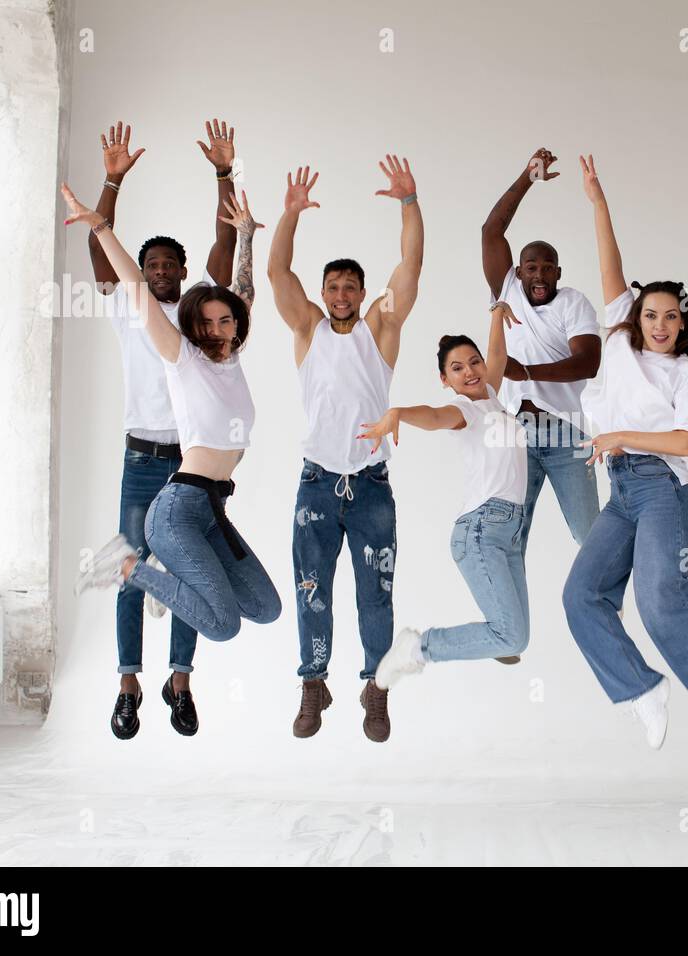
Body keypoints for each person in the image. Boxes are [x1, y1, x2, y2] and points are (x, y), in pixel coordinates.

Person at [561, 155, 688, 749]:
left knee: (658, 601)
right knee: (580, 596)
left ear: (683, 323)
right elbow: (610, 262)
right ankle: (640, 689)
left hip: (663, 492)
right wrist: (598, 202)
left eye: (670, 317)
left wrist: (621, 436)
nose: (658, 324)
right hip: (622, 491)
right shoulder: (620, 336)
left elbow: (687, 442)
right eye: (651, 313)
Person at [69, 184, 282, 737]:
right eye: (206, 322)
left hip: (211, 509)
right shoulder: (181, 356)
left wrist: (249, 236)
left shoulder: (231, 360)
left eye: (225, 321)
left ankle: (176, 623)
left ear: (237, 325)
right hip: (176, 503)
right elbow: (135, 289)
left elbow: (243, 288)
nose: (216, 329)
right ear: (191, 326)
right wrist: (101, 226)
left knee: (266, 609)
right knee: (224, 624)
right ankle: (127, 570)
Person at [87, 119, 238, 739]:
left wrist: (226, 175)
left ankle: (180, 680)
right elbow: (98, 252)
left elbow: (224, 250)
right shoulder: (129, 305)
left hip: (190, 465)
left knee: (188, 574)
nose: (157, 271)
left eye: (168, 264)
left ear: (181, 273)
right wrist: (111, 182)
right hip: (140, 460)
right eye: (148, 264)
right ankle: (128, 684)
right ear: (141, 271)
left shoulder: (196, 314)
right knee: (131, 564)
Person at [268, 157, 423, 743]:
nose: (338, 294)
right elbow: (280, 272)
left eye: (348, 286)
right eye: (331, 286)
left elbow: (410, 268)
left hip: (371, 484)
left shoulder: (379, 329)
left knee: (375, 592)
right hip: (316, 479)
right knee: (312, 586)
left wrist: (410, 204)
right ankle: (314, 684)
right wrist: (289, 216)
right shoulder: (306, 329)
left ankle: (376, 688)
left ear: (361, 292)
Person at [361, 302, 531, 689]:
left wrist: (495, 313)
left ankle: (430, 647)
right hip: (481, 530)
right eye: (457, 368)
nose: (469, 371)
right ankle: (418, 648)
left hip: (508, 534)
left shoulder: (490, 397)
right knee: (511, 636)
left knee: (517, 636)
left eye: (473, 363)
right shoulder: (463, 410)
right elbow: (434, 416)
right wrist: (400, 413)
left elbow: (498, 357)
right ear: (445, 379)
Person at [481, 147, 602, 553]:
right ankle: (510, 618)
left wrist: (527, 372)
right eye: (531, 266)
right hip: (515, 432)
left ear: (558, 273)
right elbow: (491, 230)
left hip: (567, 431)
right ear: (519, 271)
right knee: (509, 538)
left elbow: (588, 362)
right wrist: (526, 177)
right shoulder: (507, 290)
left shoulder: (572, 302)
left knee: (592, 539)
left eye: (547, 267)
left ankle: (606, 607)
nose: (539, 274)